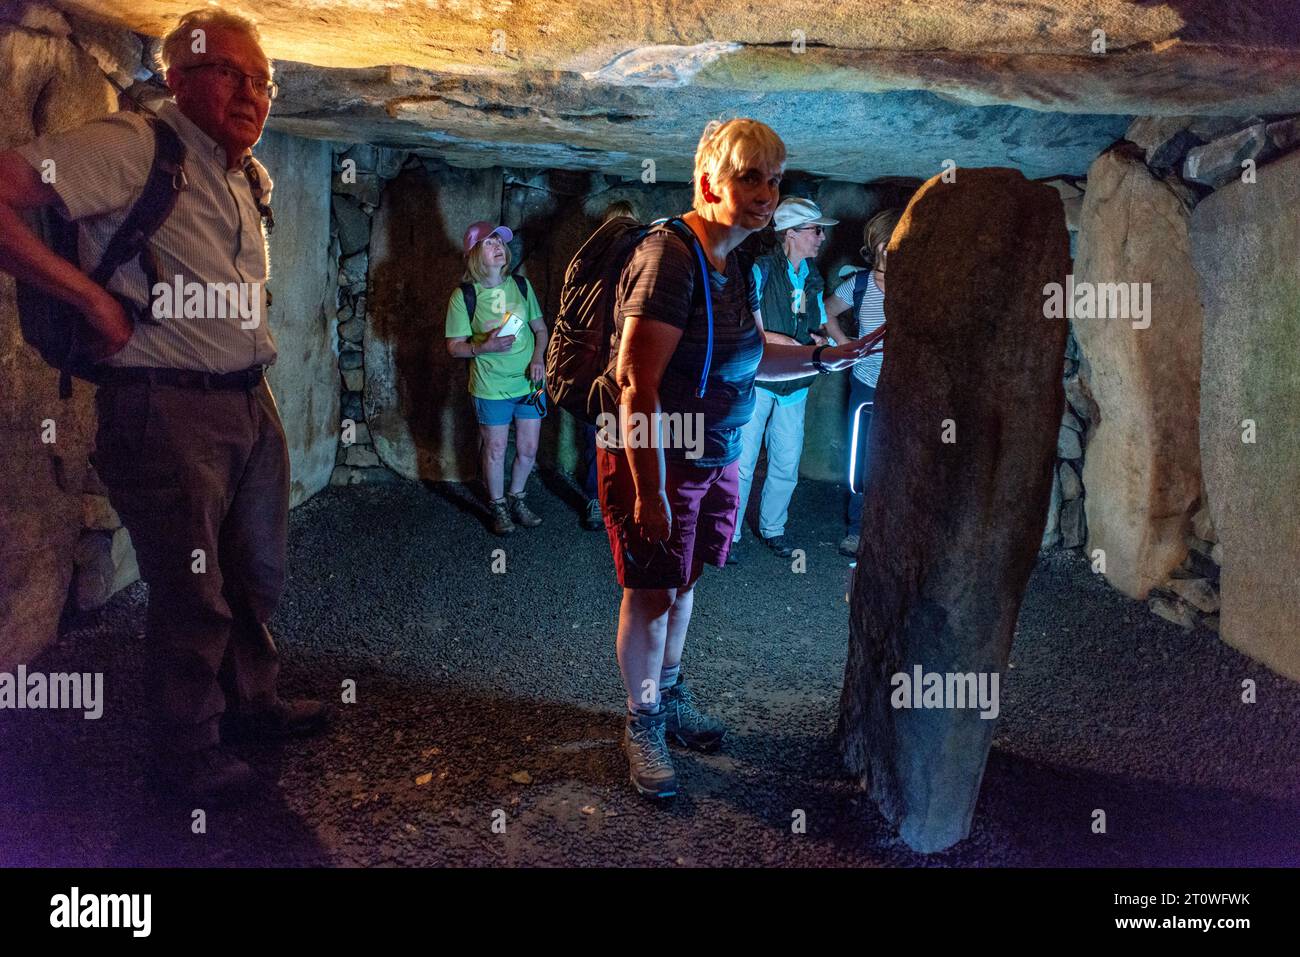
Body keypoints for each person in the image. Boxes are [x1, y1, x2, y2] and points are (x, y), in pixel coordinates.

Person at [0, 8, 330, 803]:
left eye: (263, 81)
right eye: (231, 74)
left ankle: (252, 701)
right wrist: (89, 300)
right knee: (194, 586)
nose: (253, 94)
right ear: (180, 76)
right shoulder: (136, 146)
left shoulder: (245, 173)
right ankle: (187, 751)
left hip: (248, 401)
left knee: (255, 569)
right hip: (165, 406)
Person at [600, 118, 875, 799]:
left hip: (714, 448)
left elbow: (752, 352)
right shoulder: (672, 257)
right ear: (708, 183)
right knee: (652, 589)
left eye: (774, 179)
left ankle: (667, 694)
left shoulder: (741, 264)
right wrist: (650, 490)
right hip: (661, 453)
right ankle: (641, 721)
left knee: (685, 583)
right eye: (750, 176)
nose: (766, 192)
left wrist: (827, 353)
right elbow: (637, 382)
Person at [730, 196, 838, 561]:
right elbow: (752, 330)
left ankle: (773, 528)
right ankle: (728, 535)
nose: (821, 238)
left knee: (786, 460)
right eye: (815, 230)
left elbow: (818, 319)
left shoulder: (812, 276)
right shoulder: (760, 270)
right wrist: (794, 344)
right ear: (791, 234)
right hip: (759, 381)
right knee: (743, 462)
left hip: (795, 385)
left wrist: (822, 337)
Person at [445, 221, 548, 535]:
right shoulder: (464, 296)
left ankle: (517, 497)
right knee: (495, 448)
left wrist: (537, 358)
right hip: (491, 387)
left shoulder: (521, 286)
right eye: (490, 244)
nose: (499, 248)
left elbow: (540, 330)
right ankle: (498, 505)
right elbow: (453, 348)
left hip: (529, 383)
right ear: (475, 254)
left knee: (529, 448)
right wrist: (483, 346)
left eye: (500, 243)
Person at [824, 207, 901, 556]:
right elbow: (827, 311)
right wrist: (845, 345)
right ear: (880, 244)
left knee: (899, 459)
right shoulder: (858, 284)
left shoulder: (914, 285)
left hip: (903, 390)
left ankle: (893, 531)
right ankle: (857, 529)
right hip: (866, 384)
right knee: (861, 458)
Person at [577, 199, 642, 531]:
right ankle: (594, 497)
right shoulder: (591, 266)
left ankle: (627, 499)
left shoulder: (644, 265)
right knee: (597, 434)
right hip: (599, 365)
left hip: (631, 367)